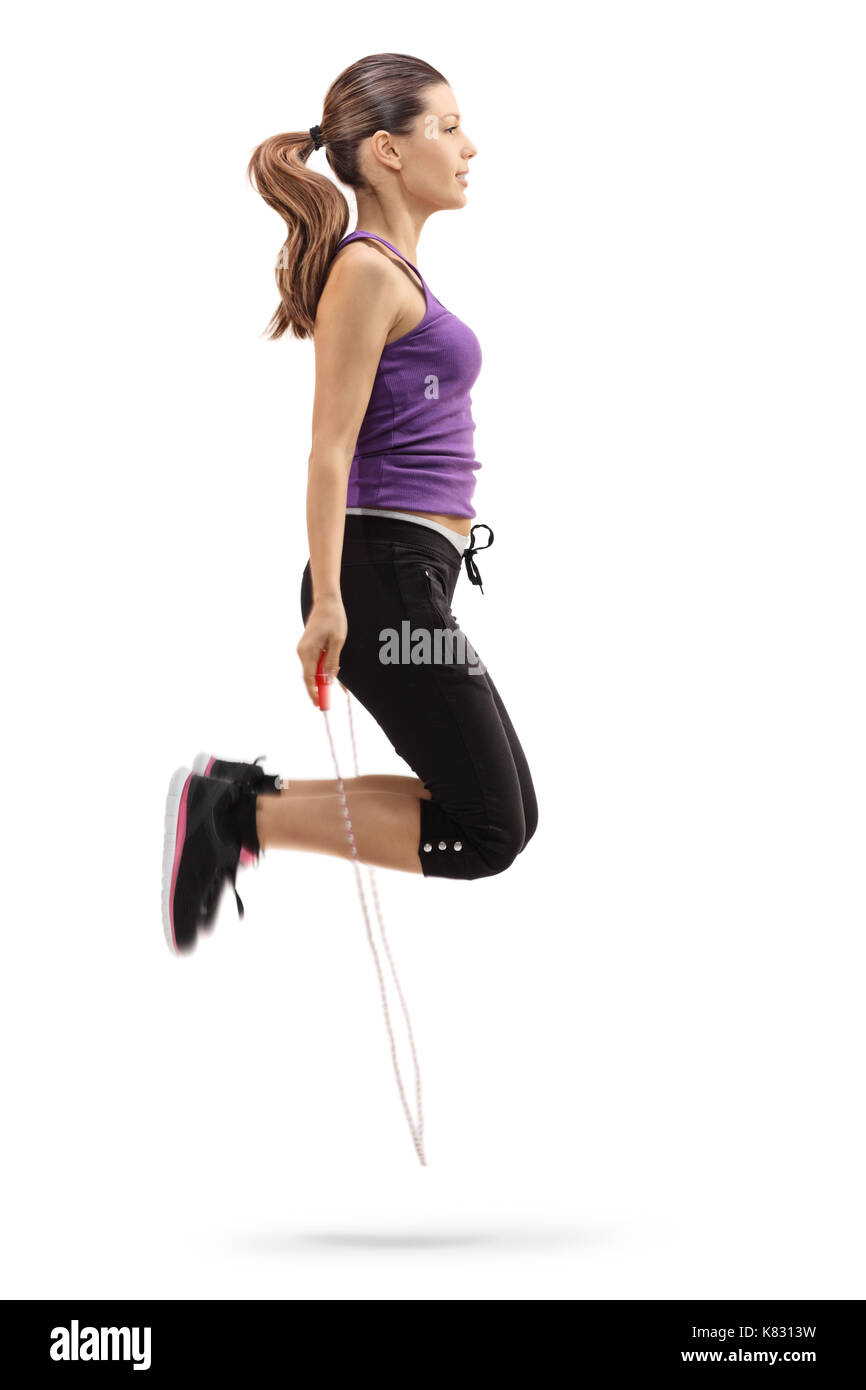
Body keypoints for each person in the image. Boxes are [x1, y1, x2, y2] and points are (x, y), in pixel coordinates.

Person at [162, 52, 538, 956]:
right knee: (487, 829)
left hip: (410, 577)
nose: (469, 146)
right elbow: (328, 450)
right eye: (447, 127)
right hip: (379, 579)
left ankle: (234, 807)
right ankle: (230, 813)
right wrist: (329, 600)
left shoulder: (396, 274)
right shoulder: (366, 273)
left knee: (504, 816)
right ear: (388, 150)